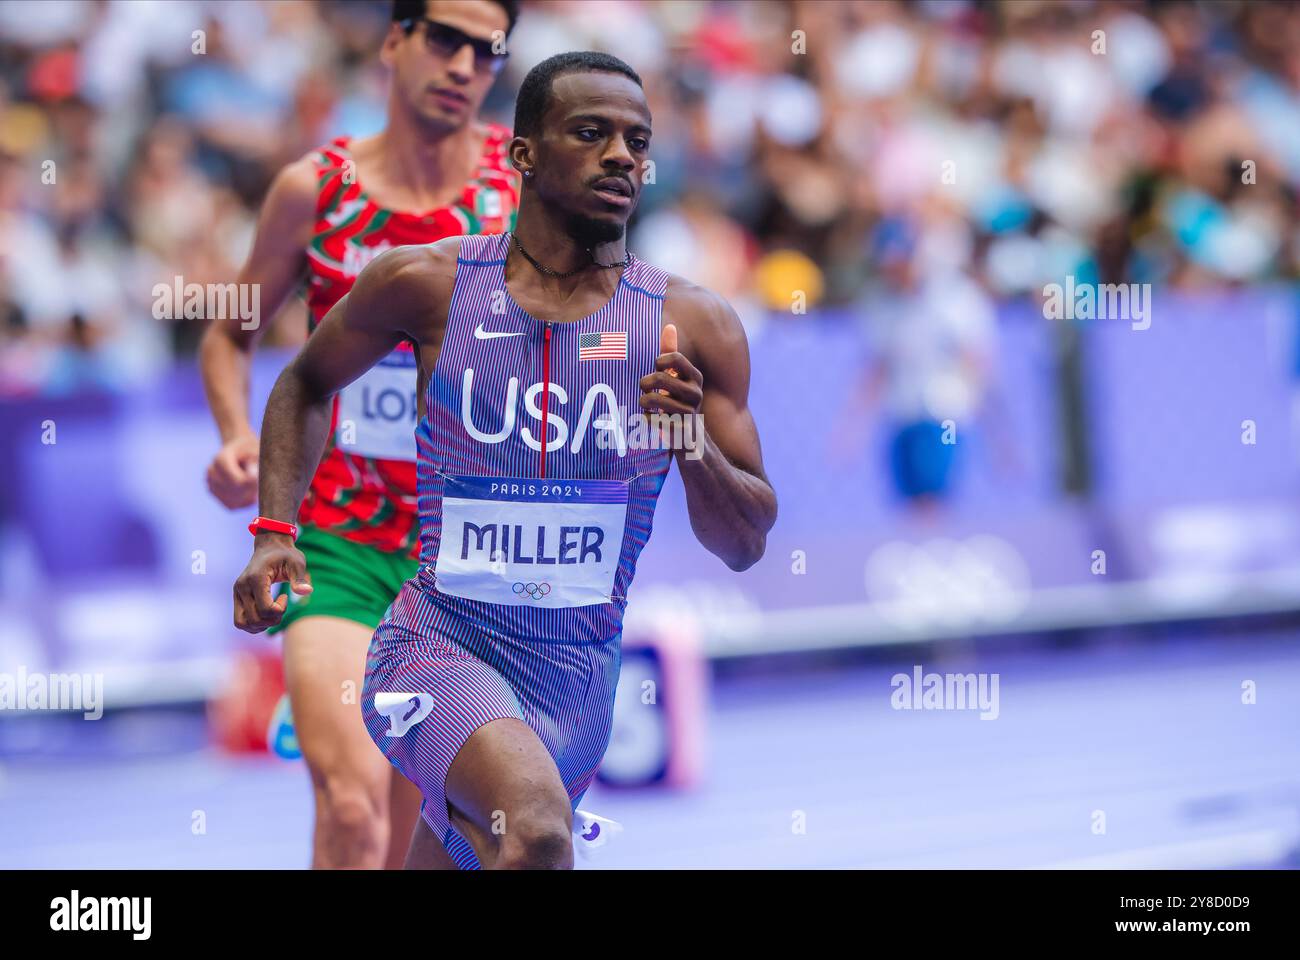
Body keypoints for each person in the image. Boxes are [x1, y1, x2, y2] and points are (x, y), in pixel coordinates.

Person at [233, 51, 778, 869]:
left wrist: (690, 445)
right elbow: (305, 383)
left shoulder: (696, 324)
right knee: (535, 830)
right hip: (436, 645)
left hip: (578, 686)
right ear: (522, 152)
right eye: (590, 134)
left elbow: (746, 544)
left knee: (501, 847)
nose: (620, 156)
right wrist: (275, 531)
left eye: (637, 141)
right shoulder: (427, 283)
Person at [200, 0, 521, 869]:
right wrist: (235, 433)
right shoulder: (316, 190)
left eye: (487, 51)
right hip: (336, 540)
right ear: (393, 40)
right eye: (444, 39)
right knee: (351, 809)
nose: (464, 66)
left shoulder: (522, 192)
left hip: (464, 558)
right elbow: (229, 330)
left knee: (419, 834)